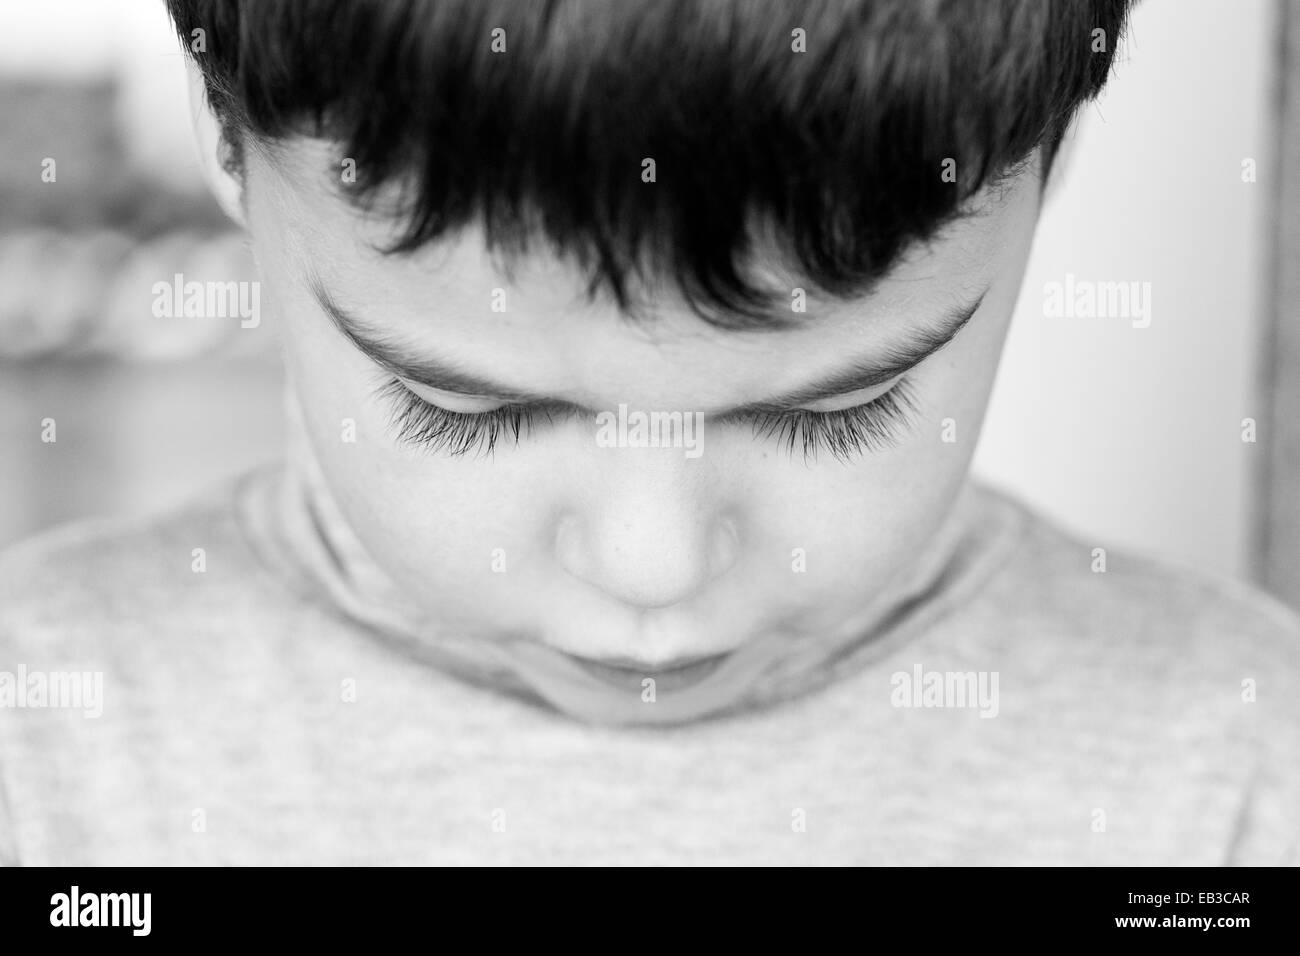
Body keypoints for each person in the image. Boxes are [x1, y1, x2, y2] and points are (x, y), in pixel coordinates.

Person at [1, 0, 1295, 865]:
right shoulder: (39, 755)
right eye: (470, 406)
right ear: (225, 138)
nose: (654, 574)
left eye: (835, 409)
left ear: (1055, 154)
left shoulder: (1241, 782)